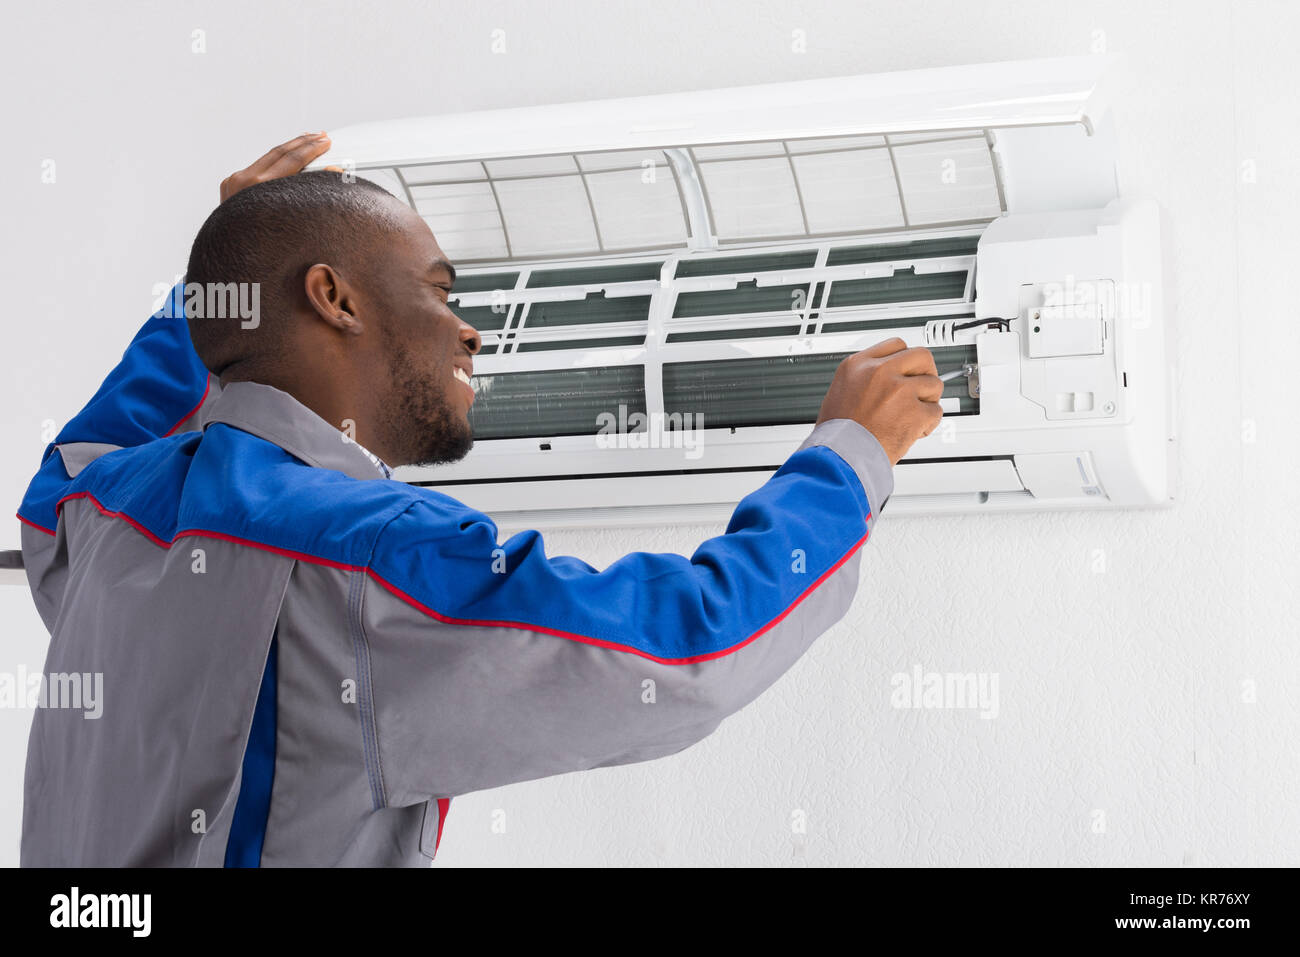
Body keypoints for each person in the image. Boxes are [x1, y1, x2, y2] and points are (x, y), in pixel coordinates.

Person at [15, 134, 944, 866]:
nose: (470, 328)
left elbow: (66, 474)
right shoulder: (367, 555)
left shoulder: (102, 514)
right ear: (333, 297)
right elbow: (685, 648)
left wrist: (220, 293)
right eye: (438, 290)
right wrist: (849, 457)